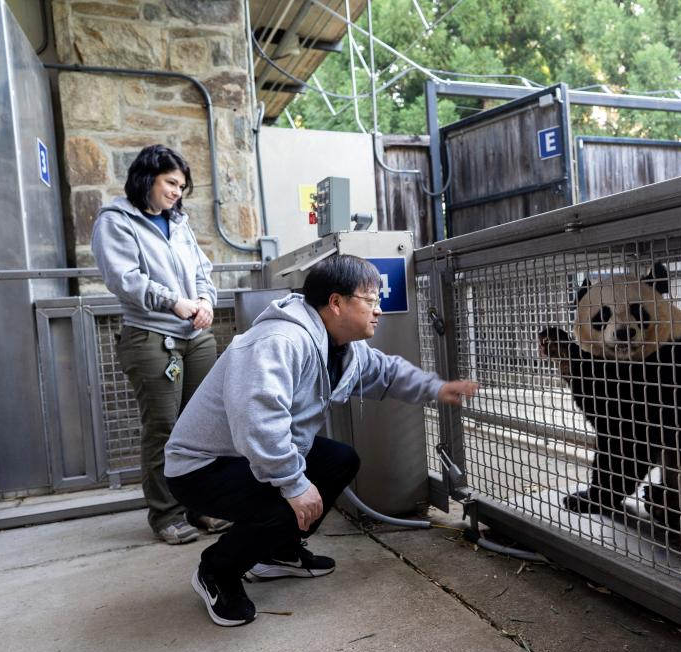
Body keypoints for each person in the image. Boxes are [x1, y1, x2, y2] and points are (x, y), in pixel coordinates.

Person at [165, 255, 478, 627]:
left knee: (340, 460)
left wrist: (437, 388)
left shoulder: (343, 347)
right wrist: (294, 485)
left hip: (245, 457)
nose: (378, 311)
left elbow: (387, 373)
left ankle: (277, 553)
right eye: (370, 300)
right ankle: (217, 571)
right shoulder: (278, 340)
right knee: (283, 503)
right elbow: (258, 422)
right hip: (201, 467)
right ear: (336, 302)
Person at [91, 144, 230, 545]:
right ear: (146, 178)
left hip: (196, 336)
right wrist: (174, 302)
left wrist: (205, 301)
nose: (176, 193)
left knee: (203, 427)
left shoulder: (178, 222)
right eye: (171, 183)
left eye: (182, 186)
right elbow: (125, 279)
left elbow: (203, 271)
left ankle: (204, 505)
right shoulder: (116, 221)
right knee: (165, 429)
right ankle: (167, 514)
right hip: (151, 337)